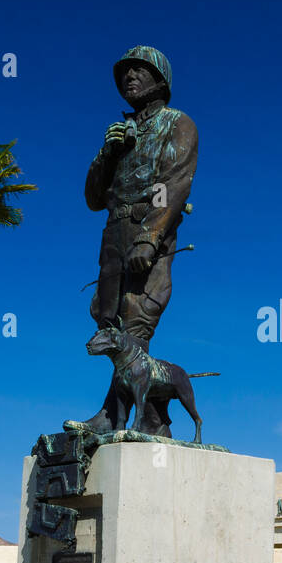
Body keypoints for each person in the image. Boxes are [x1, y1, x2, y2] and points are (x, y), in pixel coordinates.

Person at [82, 46, 198, 435]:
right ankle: (153, 418)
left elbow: (174, 183)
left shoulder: (177, 123)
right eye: (124, 73)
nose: (129, 77)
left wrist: (149, 238)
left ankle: (113, 414)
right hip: (113, 234)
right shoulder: (119, 134)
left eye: (139, 70)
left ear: (160, 78)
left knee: (137, 320)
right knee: (110, 318)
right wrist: (106, 154)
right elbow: (94, 199)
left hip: (148, 229)